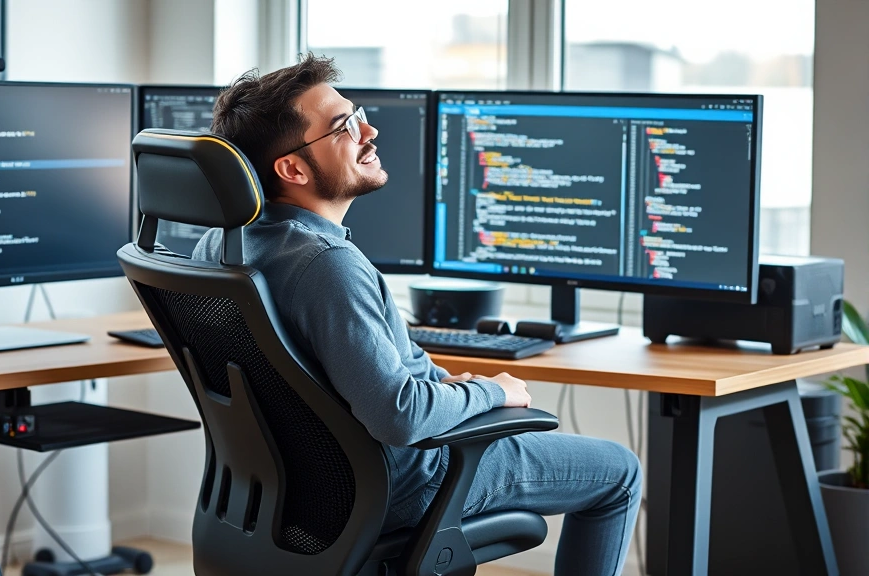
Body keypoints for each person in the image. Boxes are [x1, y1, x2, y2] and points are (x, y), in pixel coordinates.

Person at [193, 54, 642, 576]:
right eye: (344, 126)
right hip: (413, 478)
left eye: (356, 112)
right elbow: (400, 416)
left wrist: (446, 388)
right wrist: (494, 391)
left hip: (298, 497)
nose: (369, 129)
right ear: (292, 168)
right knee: (621, 472)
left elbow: (326, 375)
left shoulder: (220, 250)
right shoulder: (327, 265)